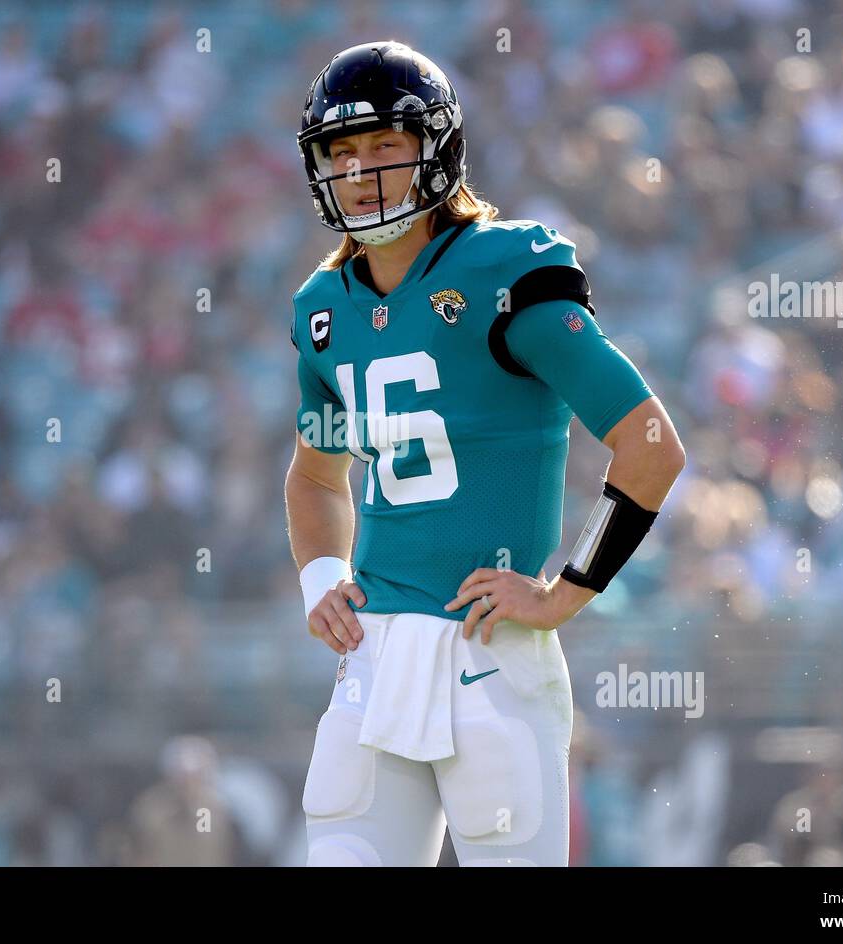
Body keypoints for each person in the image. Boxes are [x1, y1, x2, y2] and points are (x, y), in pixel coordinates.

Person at [284, 40, 686, 866]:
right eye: (342, 152)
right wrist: (321, 581)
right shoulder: (323, 307)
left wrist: (565, 593)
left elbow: (650, 446)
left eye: (383, 147)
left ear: (435, 149)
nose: (359, 171)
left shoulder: (508, 269)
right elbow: (316, 474)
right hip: (373, 658)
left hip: (489, 657)